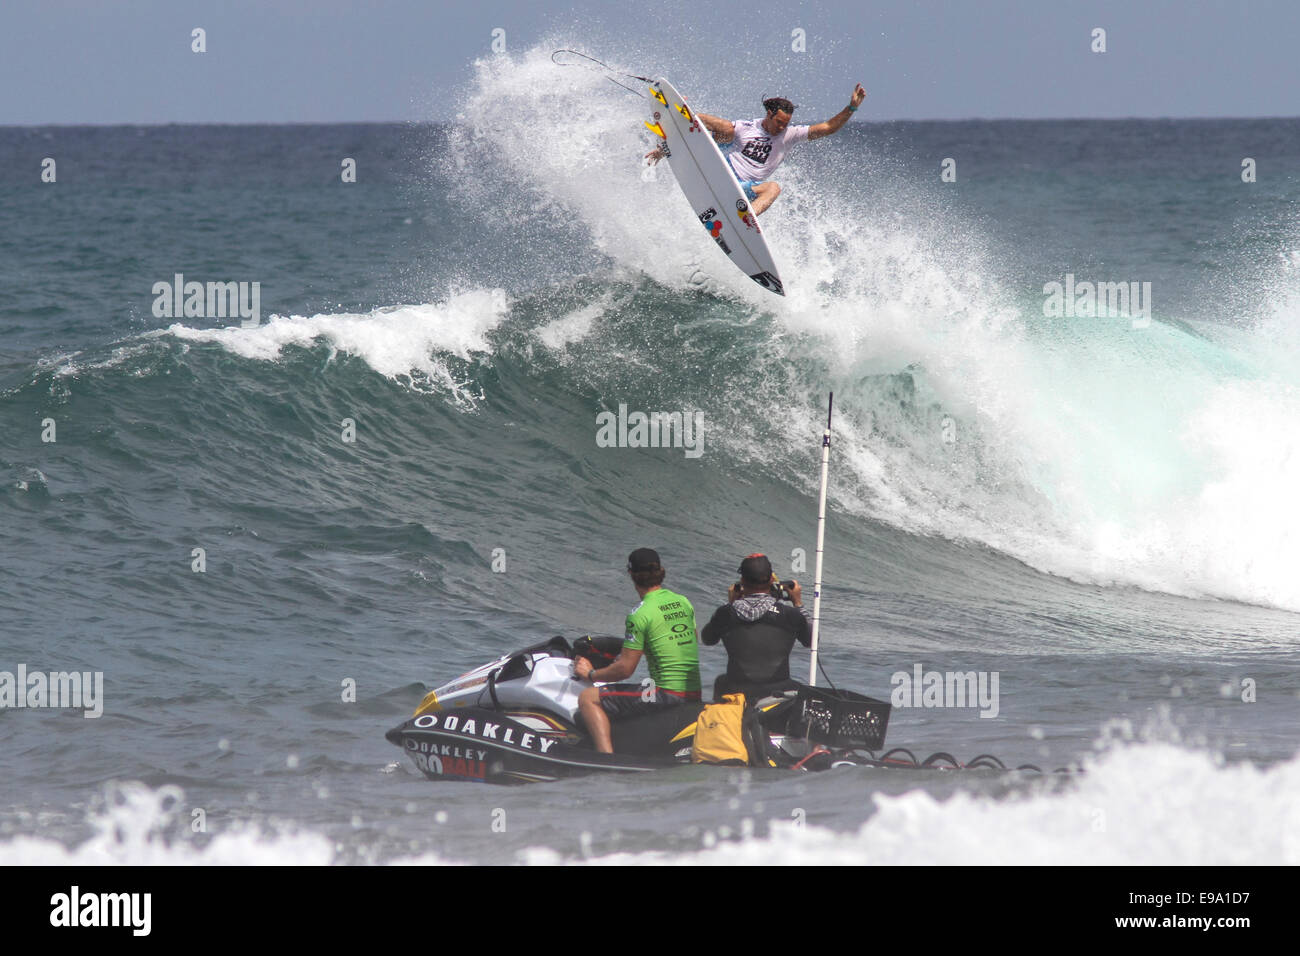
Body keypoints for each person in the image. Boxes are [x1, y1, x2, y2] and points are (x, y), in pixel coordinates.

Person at [646, 85, 867, 215]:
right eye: (779, 122)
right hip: (719, 168)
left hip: (741, 188)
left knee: (773, 188)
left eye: (786, 123)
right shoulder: (746, 127)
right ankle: (681, 118)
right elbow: (718, 130)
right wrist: (664, 150)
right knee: (724, 128)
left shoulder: (790, 135)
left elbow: (828, 128)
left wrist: (852, 108)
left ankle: (746, 218)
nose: (783, 127)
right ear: (769, 115)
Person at [572, 548, 702, 753]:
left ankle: (606, 760)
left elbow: (625, 670)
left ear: (631, 574)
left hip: (665, 695)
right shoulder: (683, 602)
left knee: (588, 698)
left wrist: (590, 673)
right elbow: (691, 640)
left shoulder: (639, 614)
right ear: (661, 571)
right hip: (693, 693)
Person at [700, 553, 811, 701]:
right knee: (798, 688)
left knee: (721, 681)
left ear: (742, 581)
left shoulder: (726, 613)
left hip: (736, 691)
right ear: (772, 580)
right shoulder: (789, 614)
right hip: (779, 690)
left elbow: (707, 639)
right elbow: (811, 640)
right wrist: (798, 603)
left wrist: (731, 603)